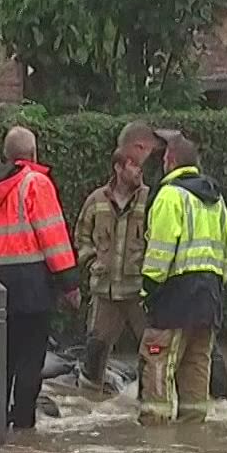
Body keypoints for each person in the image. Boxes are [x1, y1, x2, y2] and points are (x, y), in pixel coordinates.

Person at [0, 126, 80, 430]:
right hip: (33, 282)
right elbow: (53, 237)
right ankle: (23, 427)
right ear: (33, 154)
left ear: (5, 156)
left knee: (2, 357)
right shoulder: (36, 183)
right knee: (30, 359)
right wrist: (70, 283)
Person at [139, 131, 227, 425]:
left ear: (170, 161)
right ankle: (194, 438)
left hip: (175, 297)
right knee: (196, 365)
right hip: (210, 296)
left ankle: (157, 435)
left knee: (157, 357)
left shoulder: (169, 195)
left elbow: (160, 250)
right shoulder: (216, 198)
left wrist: (148, 289)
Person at [76, 148, 149, 393]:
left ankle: (150, 398)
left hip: (139, 292)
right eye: (134, 165)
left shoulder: (150, 200)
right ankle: (89, 403)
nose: (140, 171)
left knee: (152, 349)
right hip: (104, 291)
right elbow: (81, 238)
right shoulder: (95, 201)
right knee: (95, 349)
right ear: (118, 168)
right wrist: (91, 263)